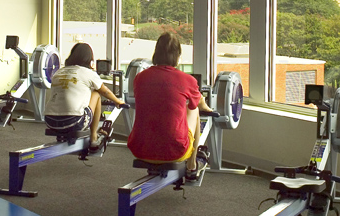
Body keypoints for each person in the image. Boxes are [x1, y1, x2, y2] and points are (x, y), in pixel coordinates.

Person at [127, 32, 215, 180]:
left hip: (139, 148)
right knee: (193, 110)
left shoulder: (140, 78)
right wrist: (206, 107)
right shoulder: (188, 80)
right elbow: (197, 102)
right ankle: (192, 165)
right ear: (178, 55)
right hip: (174, 152)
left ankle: (190, 163)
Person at [45, 43, 124, 151]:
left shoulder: (58, 72)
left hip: (50, 121)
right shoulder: (87, 72)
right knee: (96, 93)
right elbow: (105, 91)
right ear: (89, 59)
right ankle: (93, 138)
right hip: (73, 121)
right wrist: (117, 101)